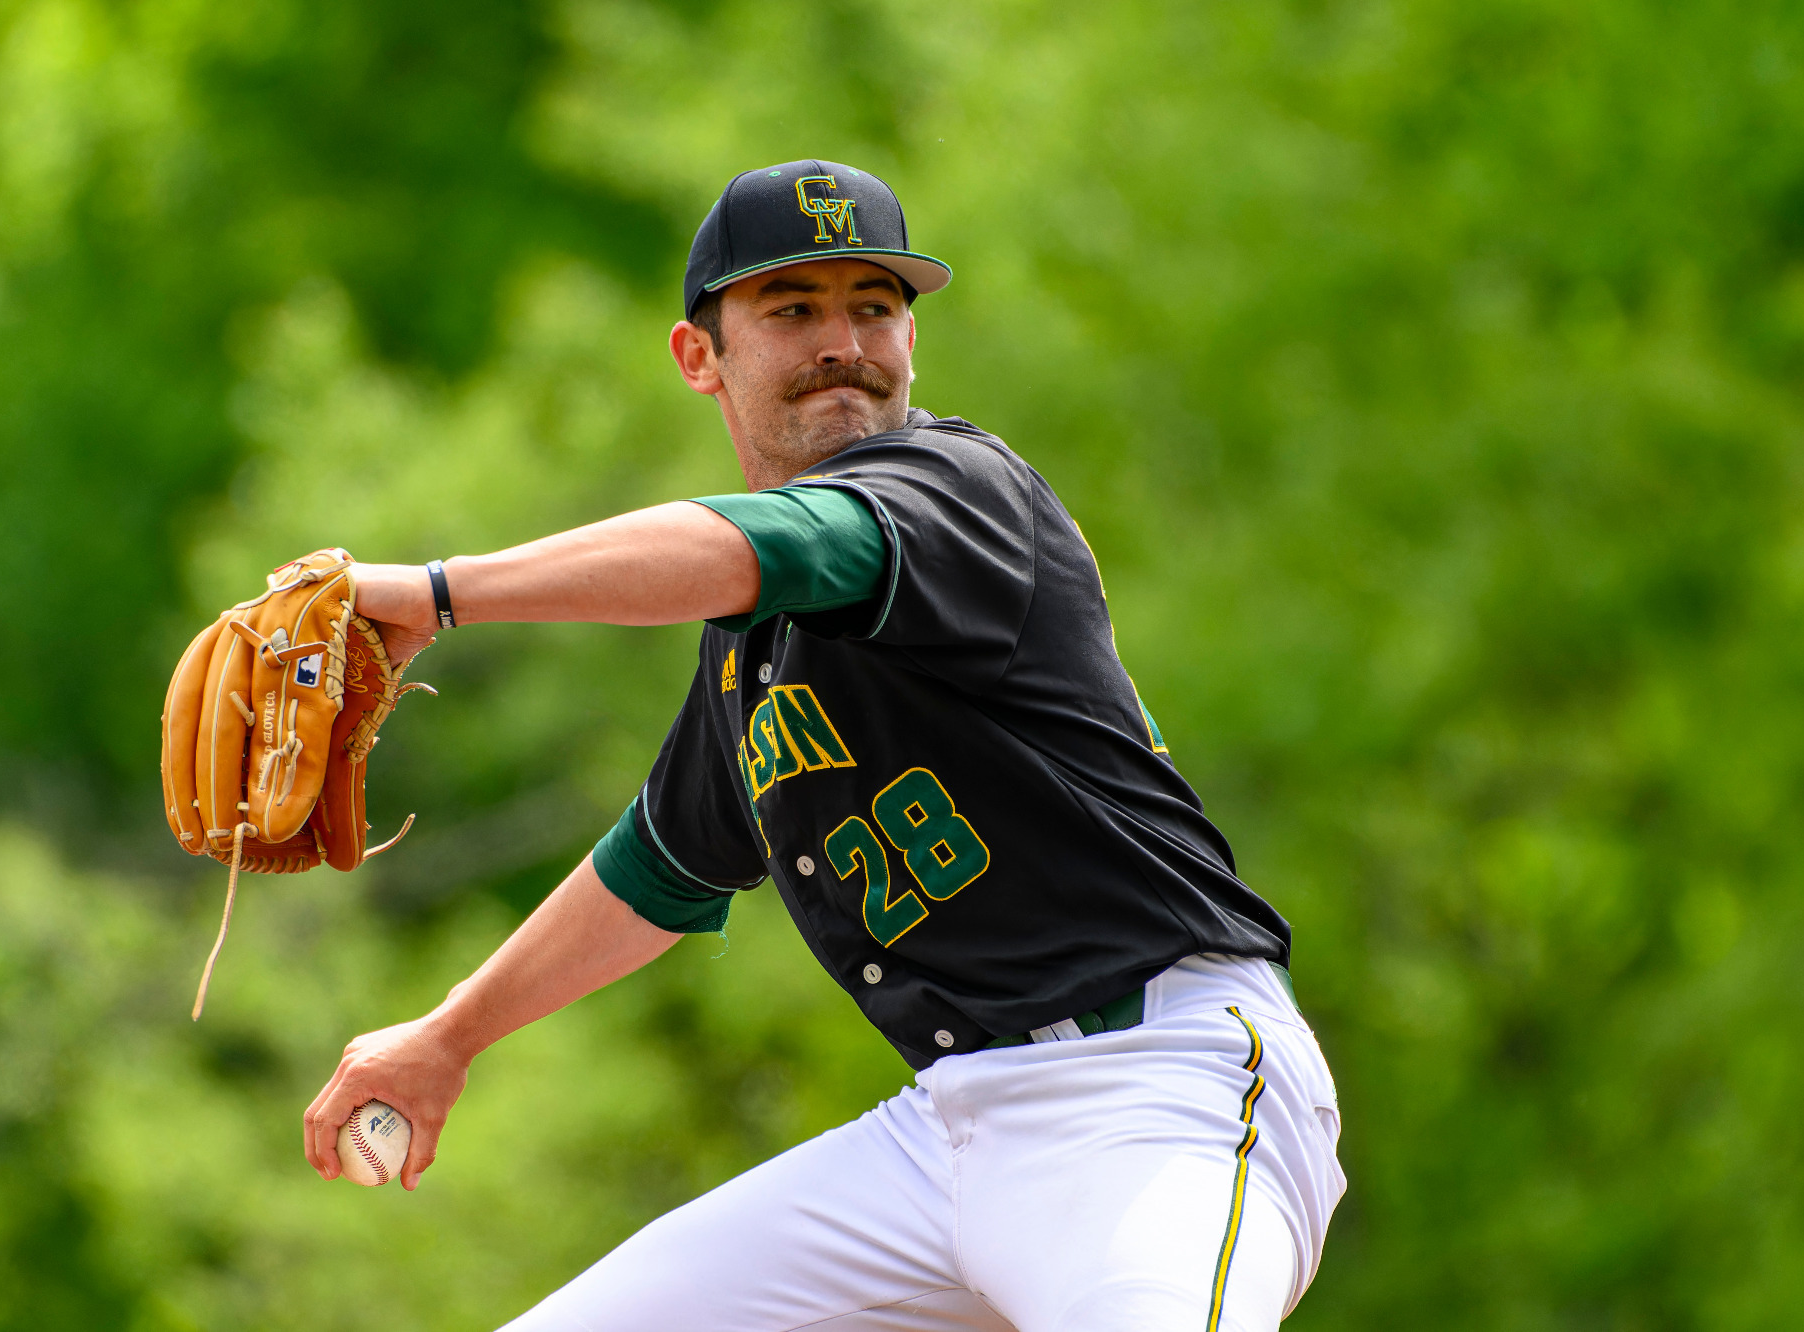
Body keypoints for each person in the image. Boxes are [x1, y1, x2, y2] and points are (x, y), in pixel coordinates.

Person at [302, 160, 1346, 1331]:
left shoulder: (956, 491)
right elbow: (660, 865)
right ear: (699, 356)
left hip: (1159, 1095)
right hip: (944, 1135)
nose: (842, 340)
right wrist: (449, 1035)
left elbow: (760, 548)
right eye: (791, 309)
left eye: (874, 305)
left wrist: (437, 592)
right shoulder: (750, 657)